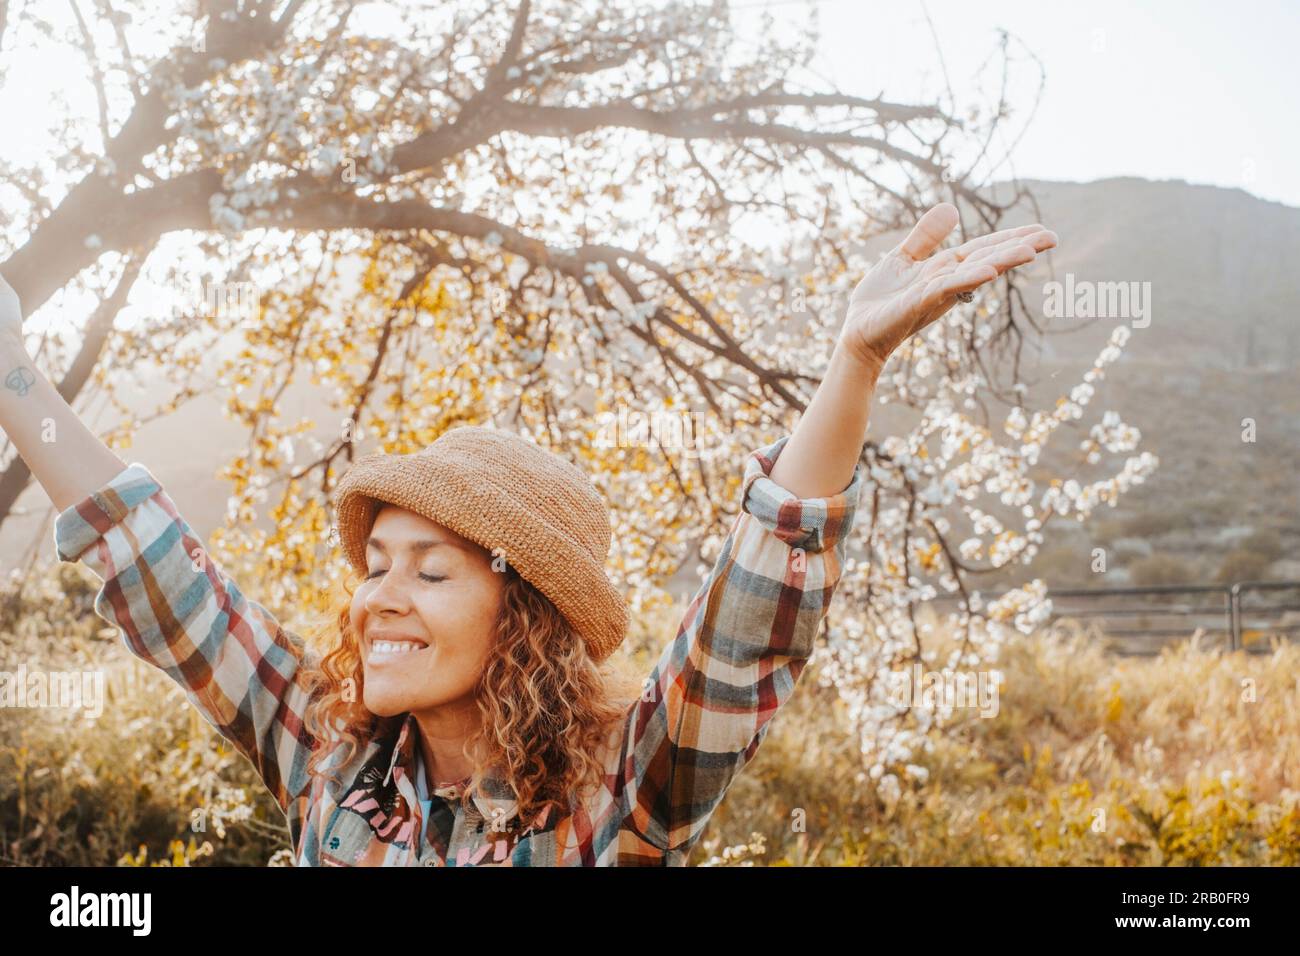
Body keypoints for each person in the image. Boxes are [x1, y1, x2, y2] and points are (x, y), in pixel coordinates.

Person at [0, 204, 1056, 866]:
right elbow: (150, 561)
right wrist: (14, 370)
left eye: (430, 568)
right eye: (374, 566)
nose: (378, 598)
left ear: (523, 609)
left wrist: (851, 369)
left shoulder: (623, 794)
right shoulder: (326, 757)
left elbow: (744, 623)